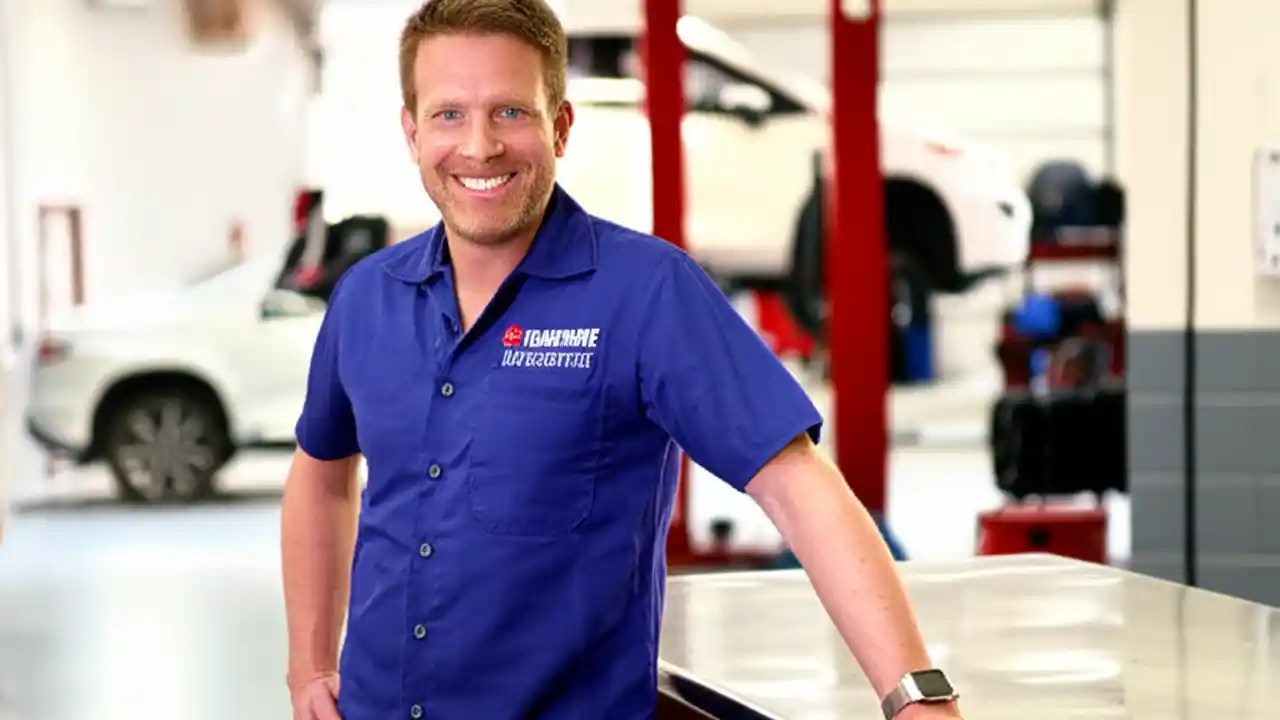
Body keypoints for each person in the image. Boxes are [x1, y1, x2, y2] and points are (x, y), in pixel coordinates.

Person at [279, 1, 963, 719]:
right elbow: (321, 477)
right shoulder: (367, 300)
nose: (479, 146)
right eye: (449, 114)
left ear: (561, 127)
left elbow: (797, 488)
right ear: (412, 132)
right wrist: (308, 665)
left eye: (510, 112)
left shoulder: (646, 294)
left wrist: (916, 698)